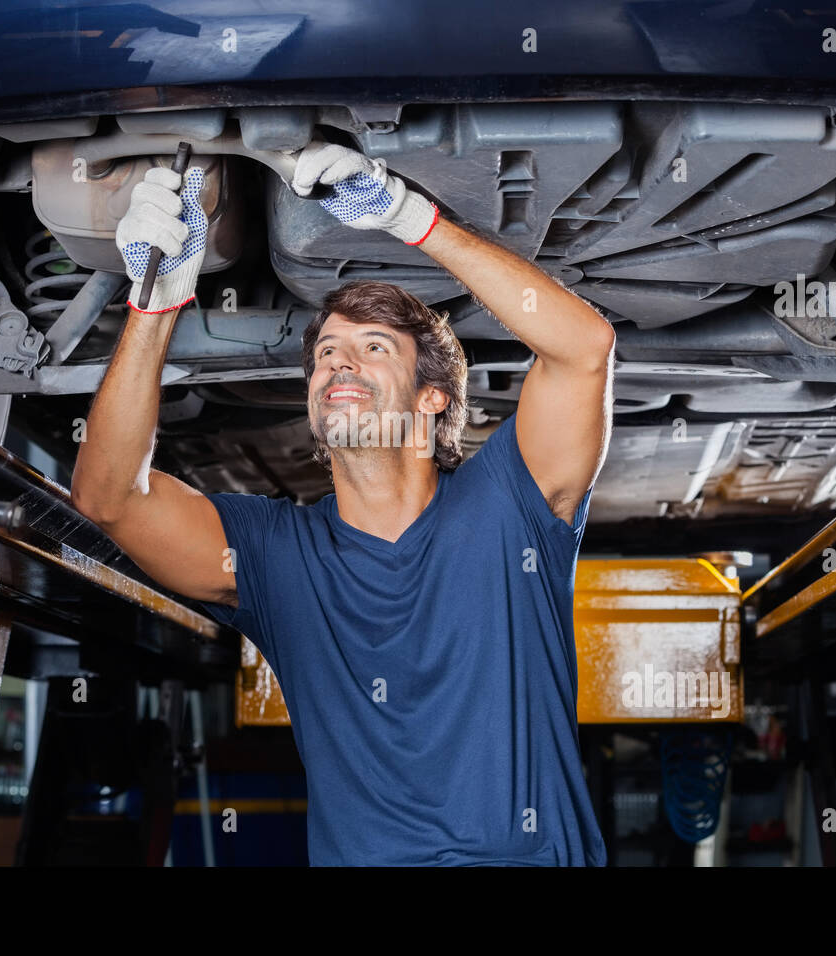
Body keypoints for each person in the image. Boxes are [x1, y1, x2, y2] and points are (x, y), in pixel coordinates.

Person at [71, 143, 616, 865]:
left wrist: (409, 216)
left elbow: (584, 347)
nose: (338, 363)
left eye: (373, 348)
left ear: (431, 402)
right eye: (326, 353)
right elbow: (109, 499)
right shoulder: (273, 555)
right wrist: (155, 302)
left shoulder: (508, 508)